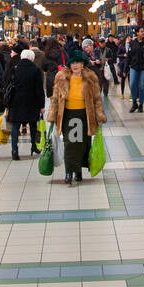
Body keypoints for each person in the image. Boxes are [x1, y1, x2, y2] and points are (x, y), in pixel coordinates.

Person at [46, 51, 107, 186]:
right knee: (70, 143)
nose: (75, 65)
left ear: (82, 64)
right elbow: (55, 98)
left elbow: (97, 99)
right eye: (72, 63)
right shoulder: (61, 77)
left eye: (78, 62)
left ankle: (77, 169)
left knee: (82, 143)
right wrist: (52, 114)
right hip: (68, 115)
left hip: (85, 115)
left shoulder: (90, 77)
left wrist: (99, 116)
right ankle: (69, 172)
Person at [6, 49, 46, 160]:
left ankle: (14, 149)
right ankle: (34, 146)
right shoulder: (36, 70)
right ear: (32, 58)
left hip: (16, 102)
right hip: (31, 102)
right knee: (33, 125)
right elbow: (39, 89)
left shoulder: (14, 69)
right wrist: (42, 105)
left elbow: (7, 82)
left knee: (15, 126)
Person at [126, 26, 144, 113]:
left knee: (142, 86)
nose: (143, 33)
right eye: (141, 31)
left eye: (143, 31)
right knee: (132, 83)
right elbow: (129, 56)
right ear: (137, 33)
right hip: (134, 66)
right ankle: (134, 102)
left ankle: (141, 104)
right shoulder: (132, 43)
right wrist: (125, 69)